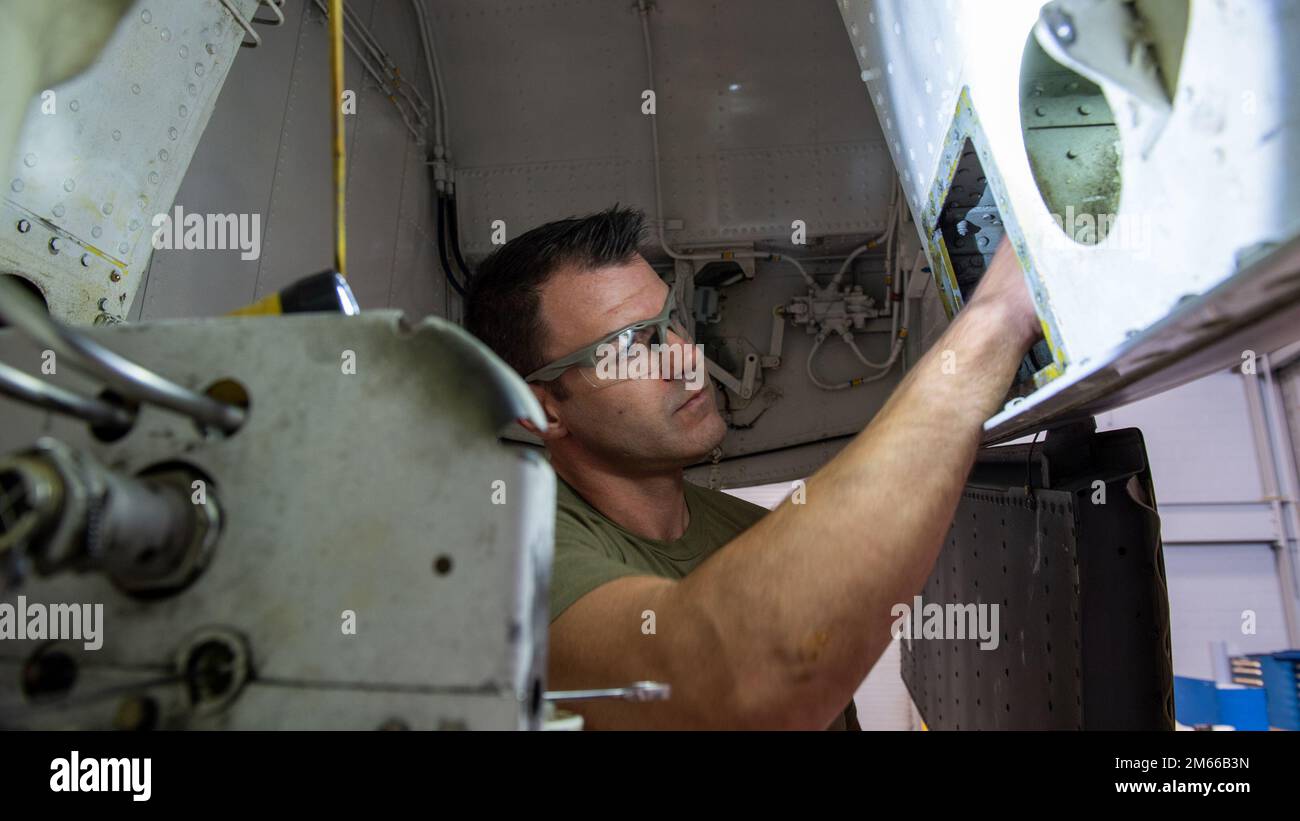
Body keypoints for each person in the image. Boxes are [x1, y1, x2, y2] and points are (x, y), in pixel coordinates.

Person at [465, 206, 1041, 729]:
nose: (687, 357)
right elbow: (719, 684)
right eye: (632, 346)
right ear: (540, 410)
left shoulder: (749, 534)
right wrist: (995, 319)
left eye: (673, 319)